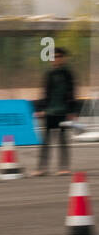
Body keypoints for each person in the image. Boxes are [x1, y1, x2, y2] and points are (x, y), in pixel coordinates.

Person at [34, 48, 78, 176]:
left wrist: (73, 111)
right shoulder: (49, 74)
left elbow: (72, 92)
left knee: (62, 140)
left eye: (58, 56)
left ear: (63, 58)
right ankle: (42, 168)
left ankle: (64, 167)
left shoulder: (68, 74)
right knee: (46, 141)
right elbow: (45, 92)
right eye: (53, 57)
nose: (56, 59)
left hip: (63, 111)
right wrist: (41, 109)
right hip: (49, 111)